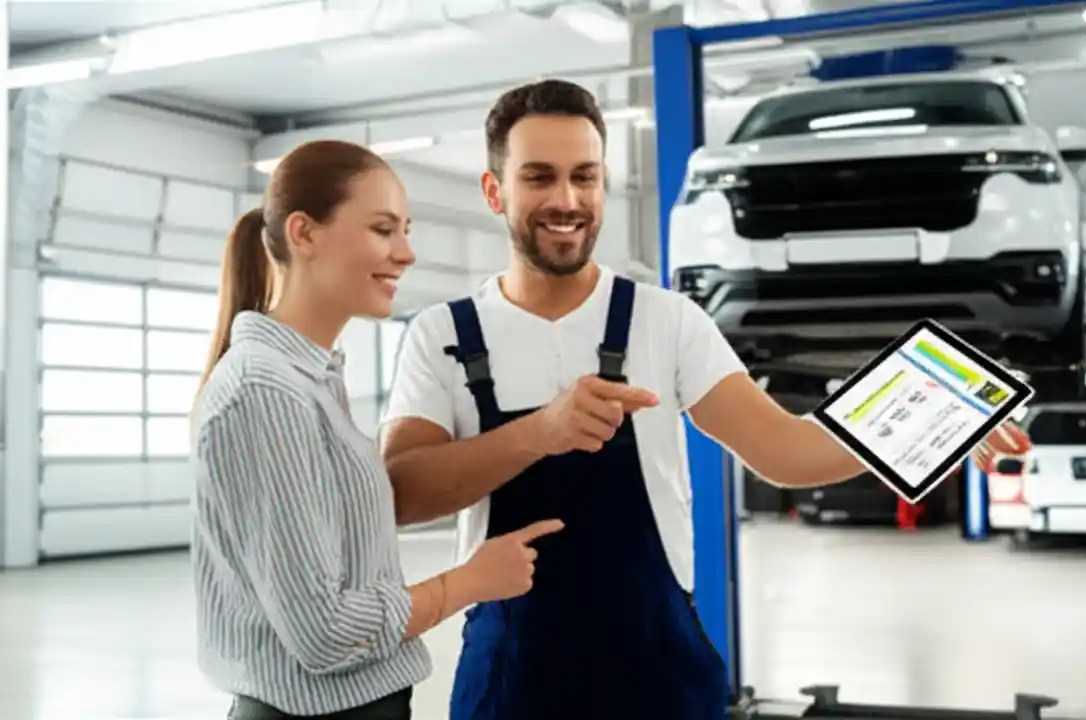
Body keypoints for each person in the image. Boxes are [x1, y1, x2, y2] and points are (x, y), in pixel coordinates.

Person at [377, 80, 1032, 720]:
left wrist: (935, 418)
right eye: (539, 177)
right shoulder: (443, 335)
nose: (567, 199)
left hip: (657, 671)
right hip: (510, 680)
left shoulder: (666, 321)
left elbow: (786, 449)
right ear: (494, 191)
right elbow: (403, 494)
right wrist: (539, 431)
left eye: (586, 175)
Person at [189, 139, 565, 720]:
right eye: (384, 230)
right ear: (304, 234)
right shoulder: (265, 392)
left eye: (405, 230)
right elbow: (325, 633)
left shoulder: (313, 378)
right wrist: (466, 582)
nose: (407, 252)